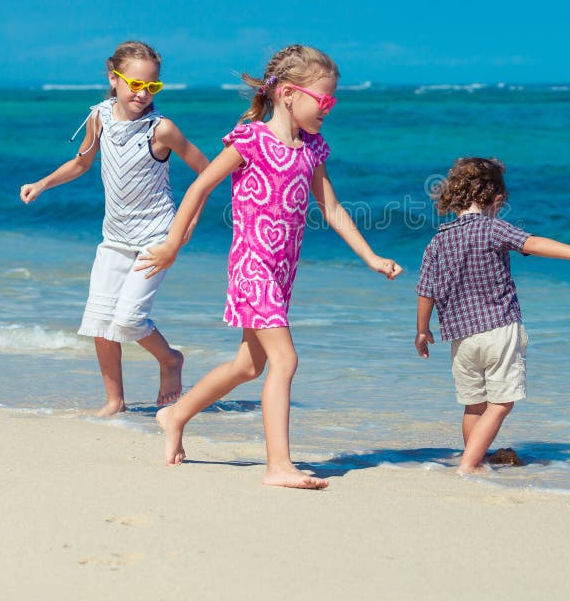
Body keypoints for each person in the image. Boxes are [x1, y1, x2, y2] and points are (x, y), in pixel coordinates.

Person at [139, 44, 402, 489]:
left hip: (282, 274)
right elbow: (200, 187)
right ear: (288, 94)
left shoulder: (311, 148)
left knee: (249, 366)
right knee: (285, 359)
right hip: (252, 266)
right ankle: (278, 465)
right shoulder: (251, 139)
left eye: (332, 100)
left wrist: (371, 257)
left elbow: (332, 208)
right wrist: (171, 244)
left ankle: (175, 414)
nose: (328, 108)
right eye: (323, 99)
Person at [20, 41, 209, 416]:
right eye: (135, 84)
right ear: (113, 78)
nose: (142, 93)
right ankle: (114, 401)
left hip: (156, 237)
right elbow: (81, 163)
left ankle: (170, 359)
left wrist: (188, 224)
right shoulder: (99, 117)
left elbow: (206, 171)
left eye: (152, 86)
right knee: (100, 321)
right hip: (115, 238)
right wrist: (42, 184)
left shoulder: (161, 129)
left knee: (129, 320)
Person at [415, 157, 570, 474]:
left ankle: (475, 459)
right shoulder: (493, 227)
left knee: (474, 405)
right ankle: (468, 465)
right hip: (499, 329)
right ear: (496, 199)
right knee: (500, 403)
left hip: (462, 338)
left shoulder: (438, 241)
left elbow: (426, 290)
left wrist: (422, 330)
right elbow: (532, 243)